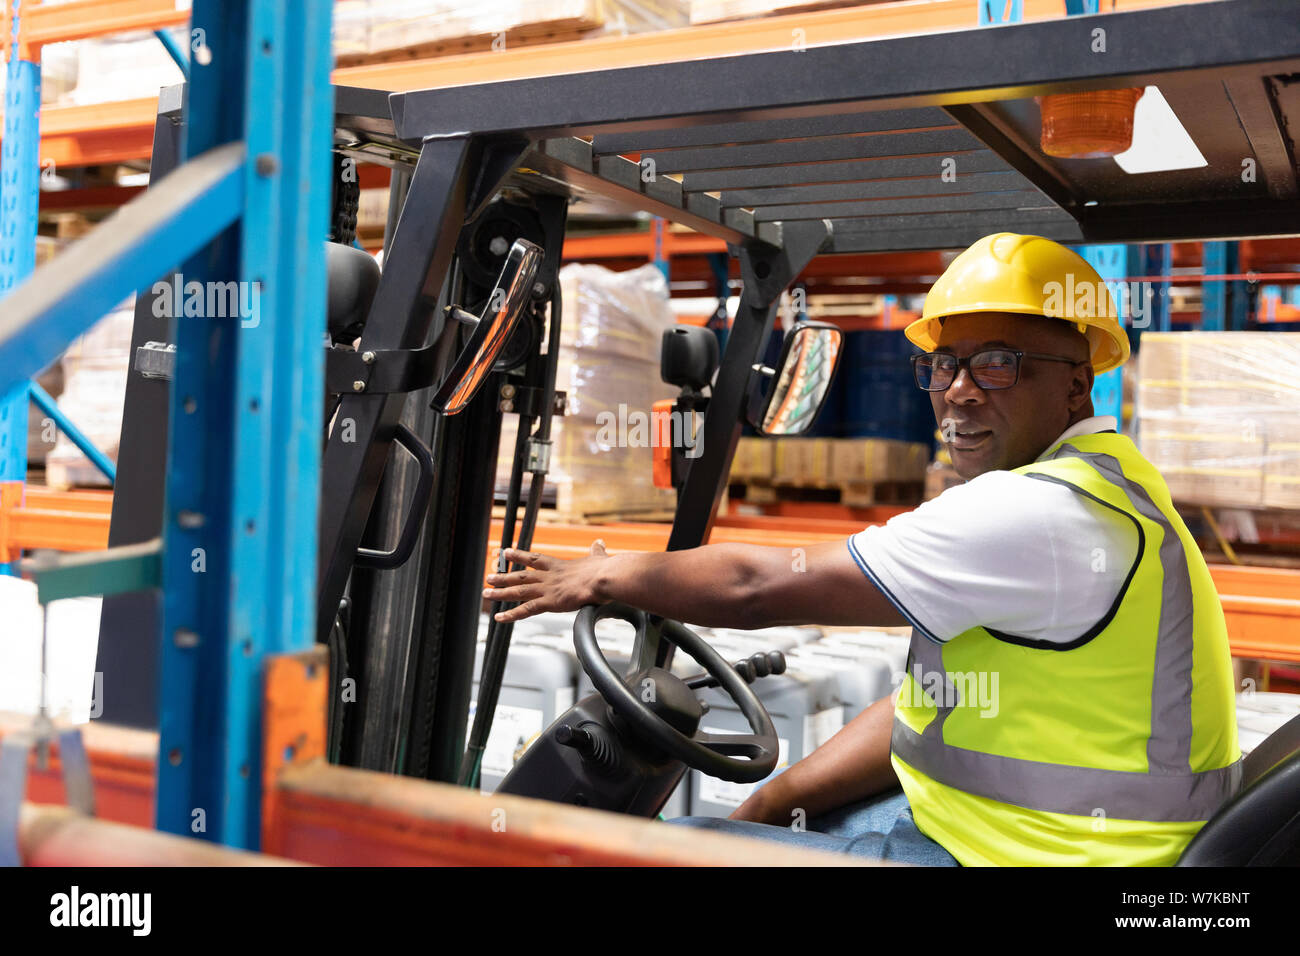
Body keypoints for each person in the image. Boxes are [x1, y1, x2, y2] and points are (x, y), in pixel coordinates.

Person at [482, 232, 1242, 866]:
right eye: (945, 365)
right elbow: (924, 713)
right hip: (989, 835)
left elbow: (756, 584)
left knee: (644, 856)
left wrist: (606, 573)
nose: (960, 391)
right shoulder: (1093, 490)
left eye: (998, 363)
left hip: (1033, 858)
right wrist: (771, 805)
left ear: (1076, 387)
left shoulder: (1042, 513)